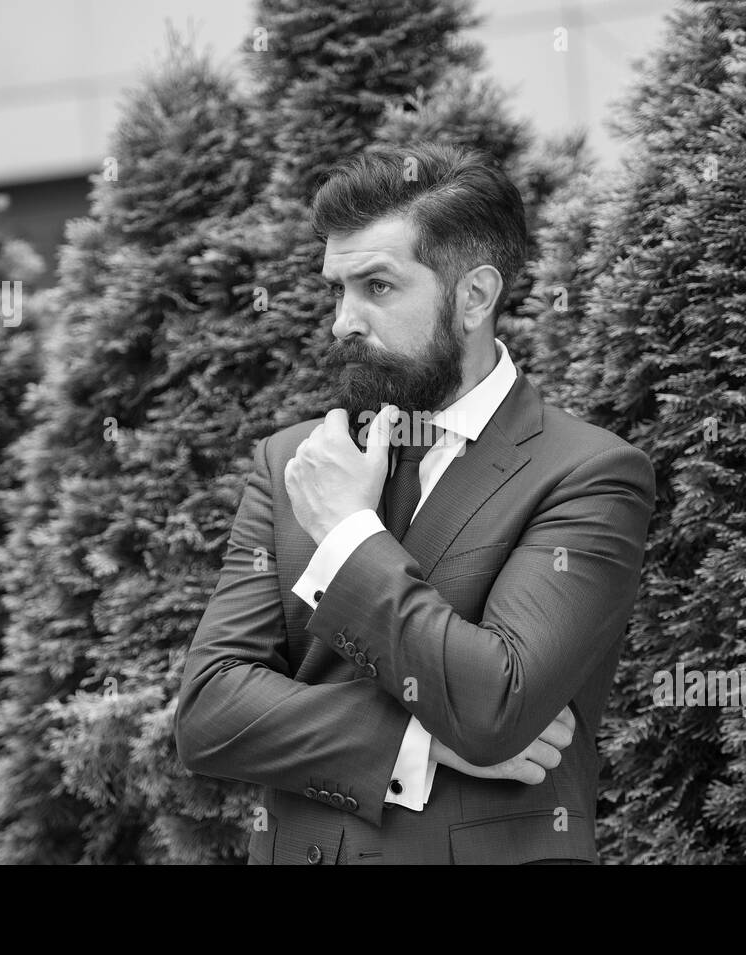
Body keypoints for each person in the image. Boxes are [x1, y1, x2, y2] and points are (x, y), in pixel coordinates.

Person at [174, 142, 655, 864]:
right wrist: (420, 742)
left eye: (378, 287)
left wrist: (346, 536)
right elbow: (209, 713)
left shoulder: (589, 474)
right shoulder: (291, 463)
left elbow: (495, 703)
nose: (343, 321)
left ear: (474, 296)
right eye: (337, 289)